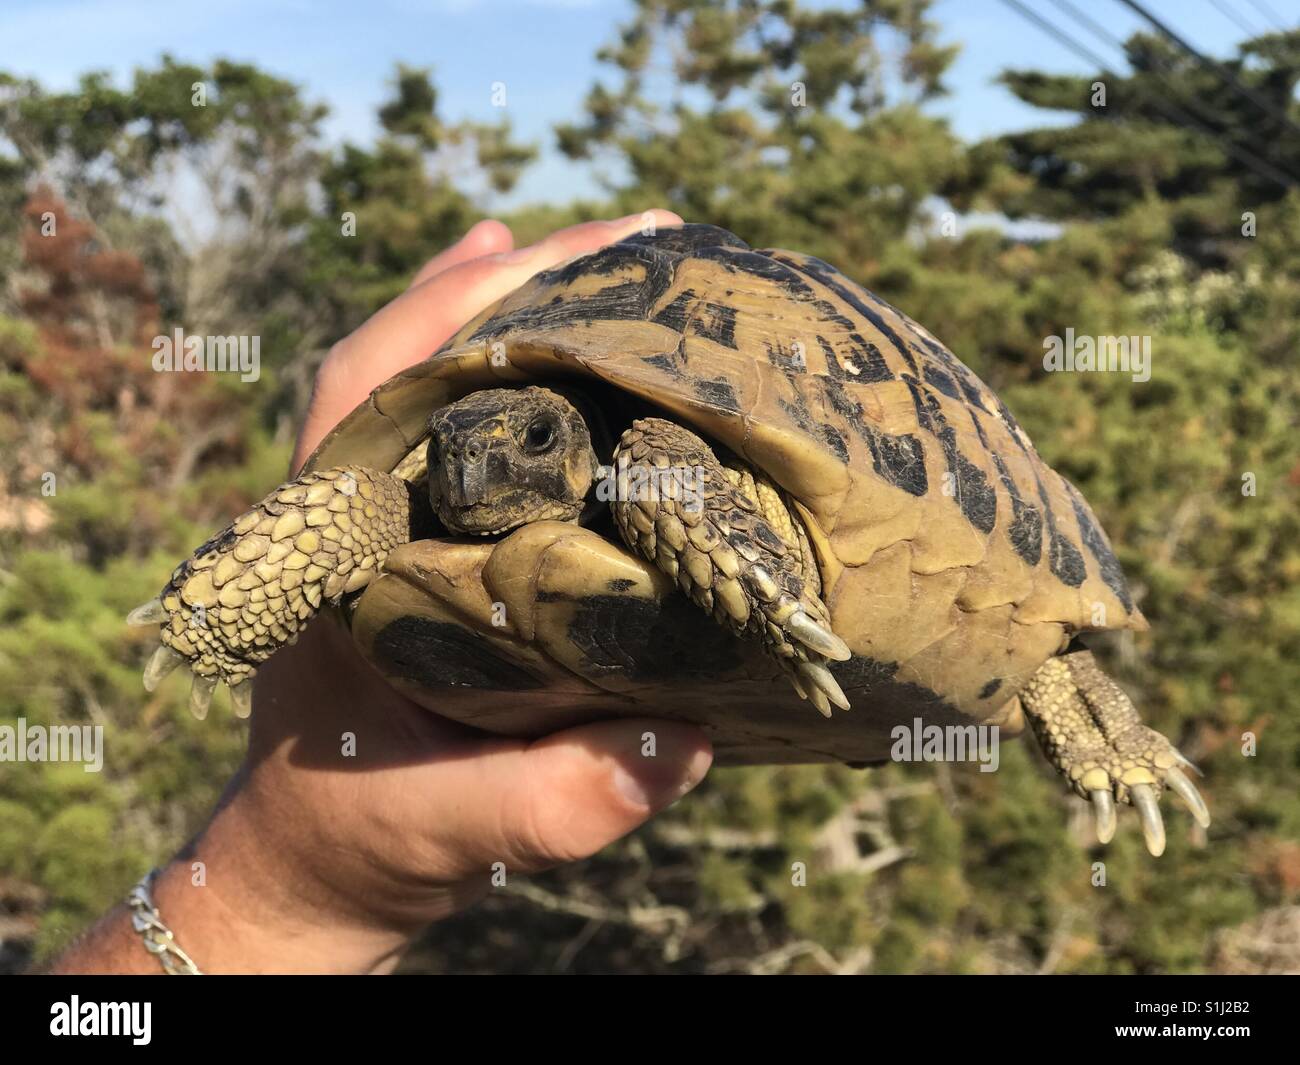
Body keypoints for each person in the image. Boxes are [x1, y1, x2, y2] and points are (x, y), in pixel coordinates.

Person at [53, 211, 713, 975]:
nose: (472, 465)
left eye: (535, 440)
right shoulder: (394, 507)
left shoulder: (651, 464)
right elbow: (349, 503)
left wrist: (255, 906)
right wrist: (282, 885)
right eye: (450, 446)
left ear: (581, 444)